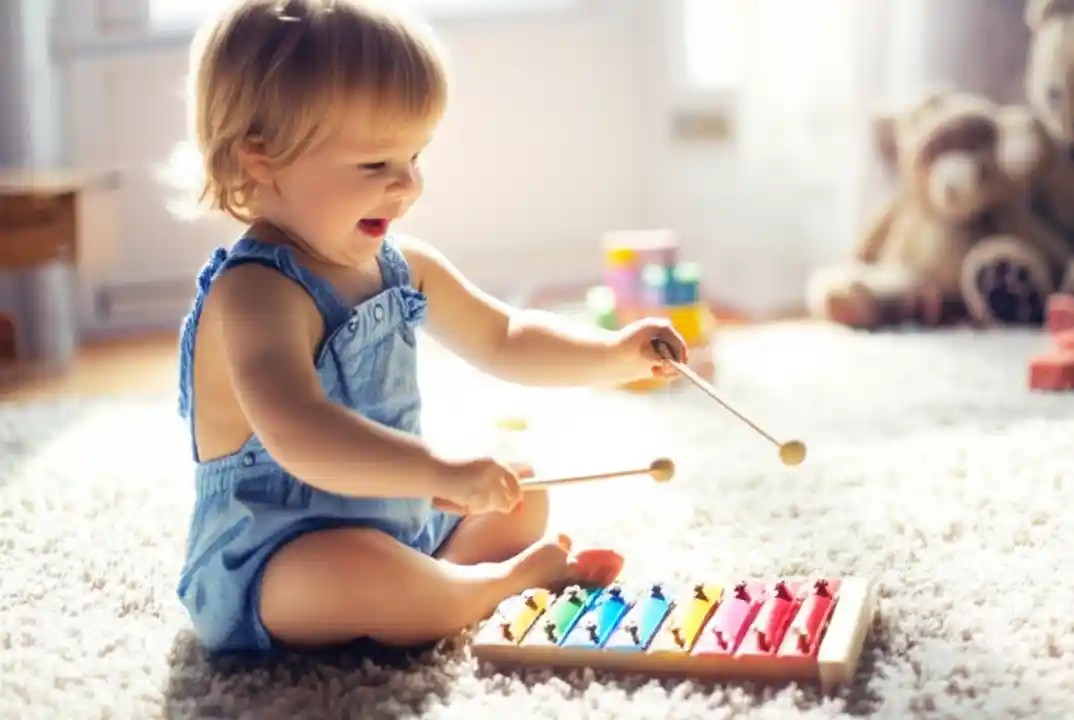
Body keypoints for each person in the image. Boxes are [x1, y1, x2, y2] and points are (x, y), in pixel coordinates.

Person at [170, 0, 688, 654]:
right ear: (260, 157)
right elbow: (304, 436)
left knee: (519, 490)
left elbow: (504, 337)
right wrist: (437, 470)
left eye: (414, 156)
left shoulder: (402, 266)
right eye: (373, 166)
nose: (407, 186)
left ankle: (440, 584)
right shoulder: (255, 293)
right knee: (363, 572)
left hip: (399, 523)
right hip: (274, 560)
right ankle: (487, 587)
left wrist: (613, 354)